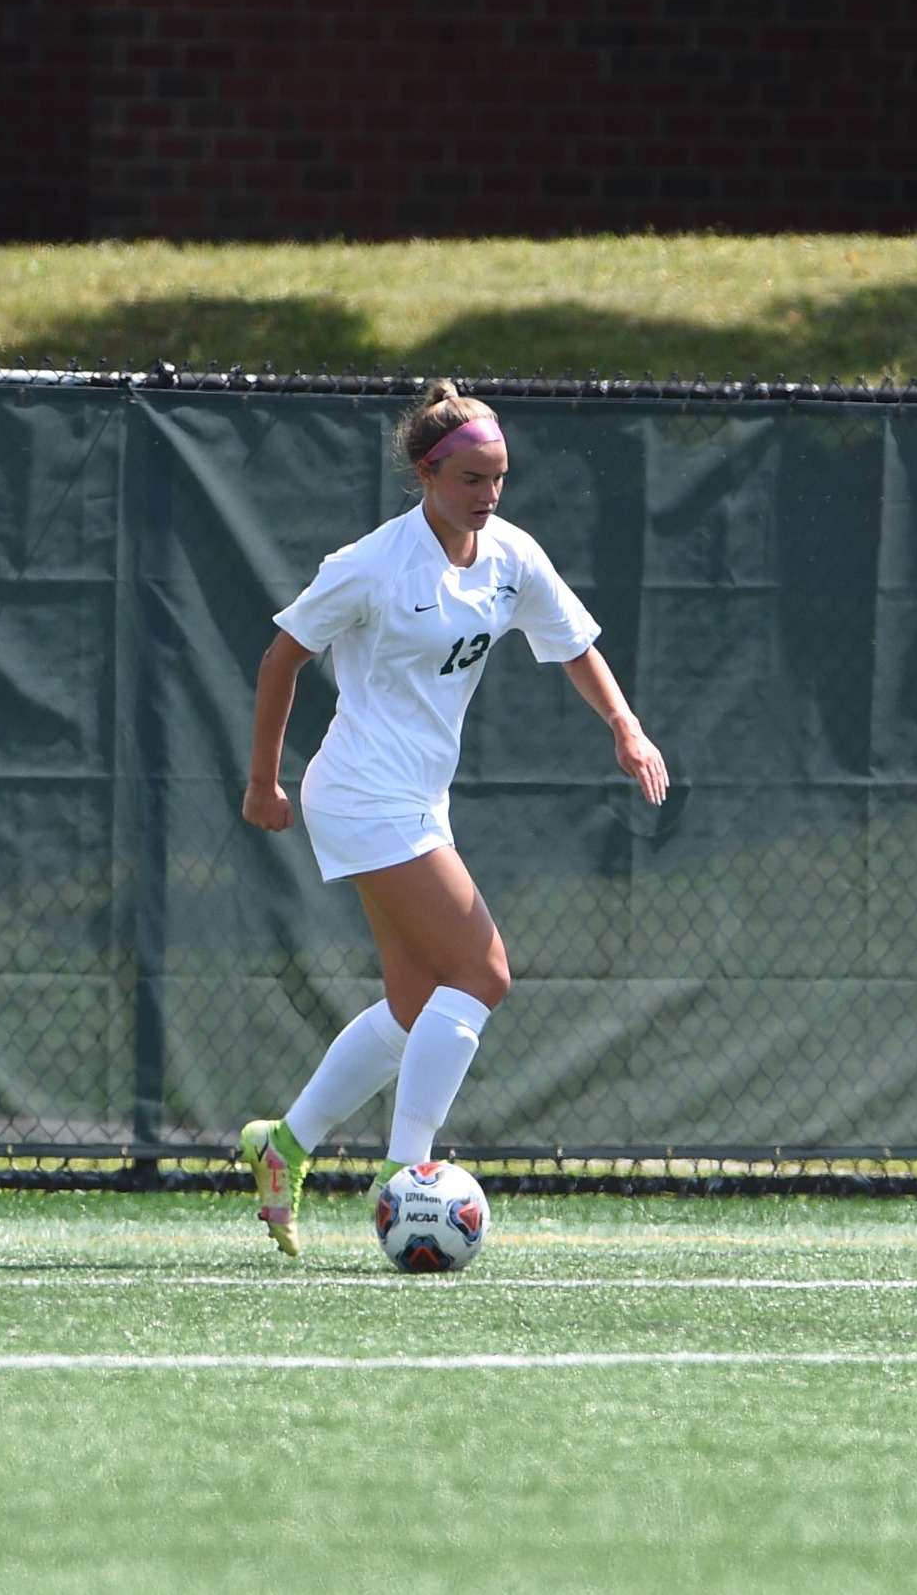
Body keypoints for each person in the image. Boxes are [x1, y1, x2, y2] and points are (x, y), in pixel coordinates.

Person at [238, 381, 669, 1256]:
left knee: (414, 1006)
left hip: (416, 797)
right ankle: (411, 1181)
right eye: (473, 478)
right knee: (484, 972)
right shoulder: (371, 563)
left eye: (500, 476)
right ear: (427, 474)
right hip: (362, 793)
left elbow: (575, 644)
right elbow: (280, 660)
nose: (490, 494)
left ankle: (282, 1145)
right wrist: (262, 784)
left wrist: (624, 725)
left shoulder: (510, 556)